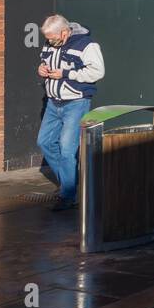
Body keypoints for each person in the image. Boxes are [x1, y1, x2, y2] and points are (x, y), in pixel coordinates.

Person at [37, 14, 105, 211]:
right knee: (45, 142)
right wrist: (41, 69)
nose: (49, 41)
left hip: (75, 102)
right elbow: (45, 60)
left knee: (67, 149)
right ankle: (71, 184)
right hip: (53, 102)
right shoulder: (51, 42)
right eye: (47, 38)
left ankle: (68, 195)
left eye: (52, 38)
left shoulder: (87, 45)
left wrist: (66, 73)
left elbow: (97, 72)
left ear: (65, 32)